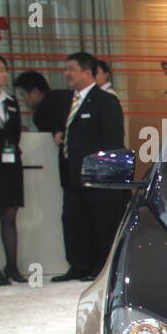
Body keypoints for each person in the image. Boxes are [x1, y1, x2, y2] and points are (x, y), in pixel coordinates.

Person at [54, 51, 125, 282]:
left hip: (97, 177)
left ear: (87, 72)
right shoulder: (67, 101)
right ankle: (78, 266)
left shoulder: (106, 101)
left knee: (100, 223)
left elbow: (113, 140)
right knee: (74, 221)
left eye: (71, 69)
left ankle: (100, 268)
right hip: (71, 175)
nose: (67, 74)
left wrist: (105, 174)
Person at [0, 53, 25, 285]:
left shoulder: (10, 101)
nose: (5, 74)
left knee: (10, 214)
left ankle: (12, 266)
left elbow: (16, 133)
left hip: (10, 164)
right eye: (1, 70)